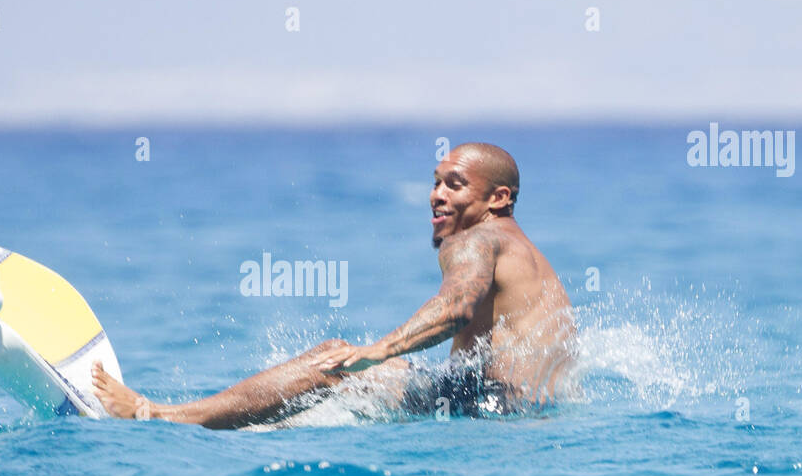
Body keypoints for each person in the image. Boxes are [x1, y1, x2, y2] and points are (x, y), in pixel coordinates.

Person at [92, 142, 575, 428]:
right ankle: (244, 419)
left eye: (454, 185)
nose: (435, 196)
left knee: (334, 362)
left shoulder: (475, 241)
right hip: (527, 415)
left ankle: (164, 415)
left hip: (487, 407)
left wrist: (381, 350)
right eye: (435, 182)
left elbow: (457, 306)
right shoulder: (526, 252)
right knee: (330, 391)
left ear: (498, 197)